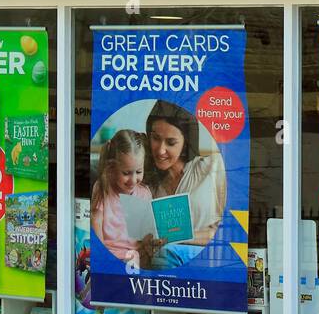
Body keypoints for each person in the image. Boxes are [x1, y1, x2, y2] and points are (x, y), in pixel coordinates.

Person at [143, 100, 226, 265]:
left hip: (210, 254)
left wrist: (173, 239)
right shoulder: (149, 183)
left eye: (171, 143)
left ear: (186, 143)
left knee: (166, 253)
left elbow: (227, 230)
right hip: (165, 258)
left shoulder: (214, 168)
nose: (160, 150)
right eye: (155, 138)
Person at [90, 129, 153, 268]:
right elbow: (96, 226)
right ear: (111, 168)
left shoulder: (144, 194)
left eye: (138, 172)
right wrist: (102, 259)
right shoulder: (103, 188)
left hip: (135, 260)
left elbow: (147, 233)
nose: (133, 179)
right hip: (108, 258)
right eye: (126, 173)